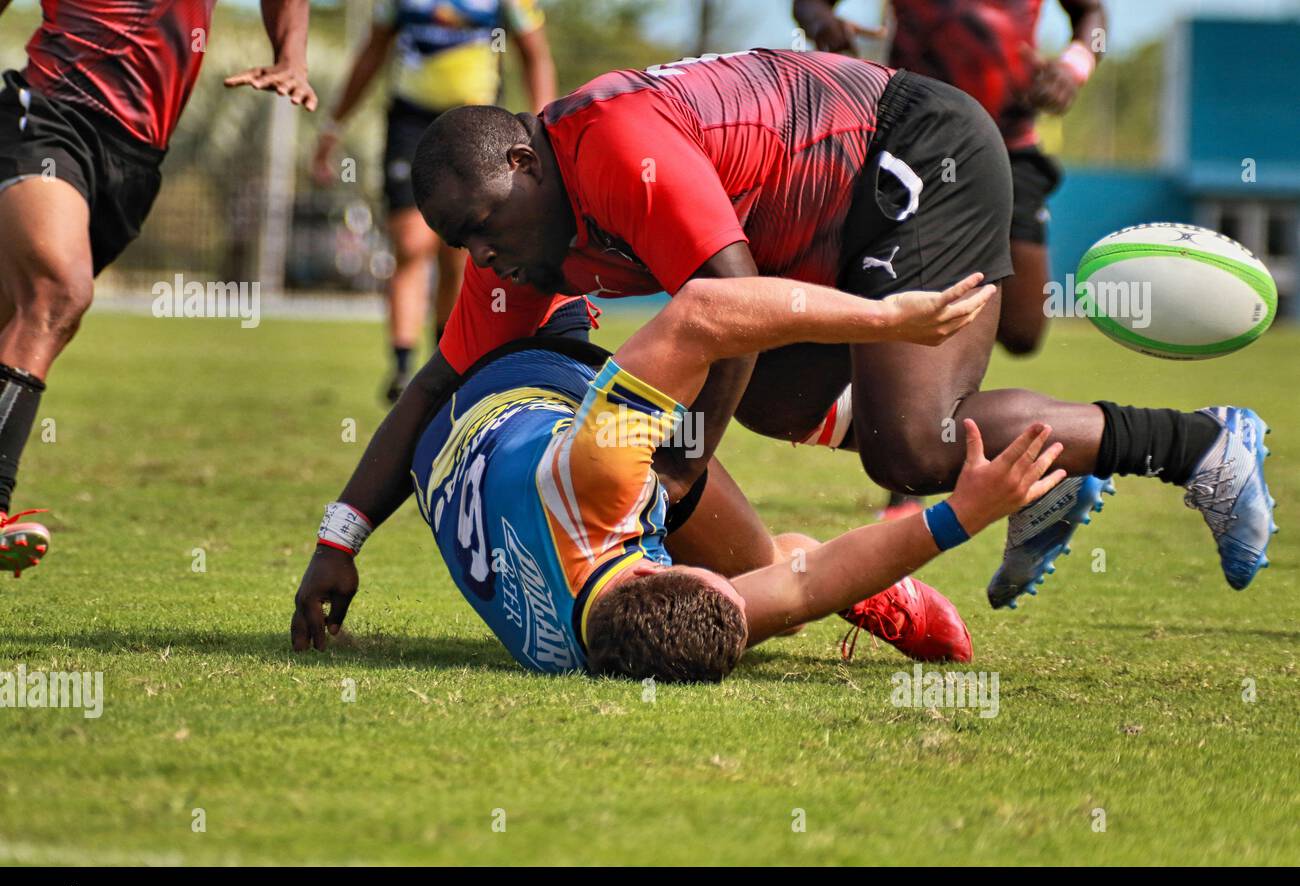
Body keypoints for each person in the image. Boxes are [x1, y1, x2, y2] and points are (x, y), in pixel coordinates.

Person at [397, 49, 1276, 611]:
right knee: (773, 397)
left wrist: (679, 468)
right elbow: (439, 383)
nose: (480, 254)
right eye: (460, 240)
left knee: (914, 453)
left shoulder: (615, 149)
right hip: (834, 207)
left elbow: (724, 305)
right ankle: (1040, 465)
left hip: (915, 151)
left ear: (522, 165)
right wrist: (340, 539)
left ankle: (1199, 443)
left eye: (482, 225)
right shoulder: (518, 236)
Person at [292, 272, 1066, 680]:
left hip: (532, 370)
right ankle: (871, 563)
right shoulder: (591, 647)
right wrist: (958, 517)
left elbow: (699, 312)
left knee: (681, 329)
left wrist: (888, 320)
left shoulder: (603, 480)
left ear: (656, 566)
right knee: (779, 588)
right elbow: (796, 588)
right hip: (482, 464)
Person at [0, 0, 317, 578]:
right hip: (46, 115)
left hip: (136, 160)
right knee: (57, 295)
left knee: (15, 323)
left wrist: (290, 57)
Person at [792, 0, 1107, 519]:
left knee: (1024, 330)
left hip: (1012, 143)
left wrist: (1074, 66)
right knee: (924, 307)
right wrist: (822, 25)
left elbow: (1092, 15)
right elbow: (810, 4)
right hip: (919, 145)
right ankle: (910, 480)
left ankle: (1049, 454)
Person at [311, 0, 557, 403]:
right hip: (411, 125)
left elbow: (535, 55)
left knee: (458, 254)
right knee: (410, 244)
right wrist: (333, 126)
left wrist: (543, 126)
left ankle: (450, 362)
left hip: (476, 127)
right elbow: (373, 52)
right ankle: (403, 367)